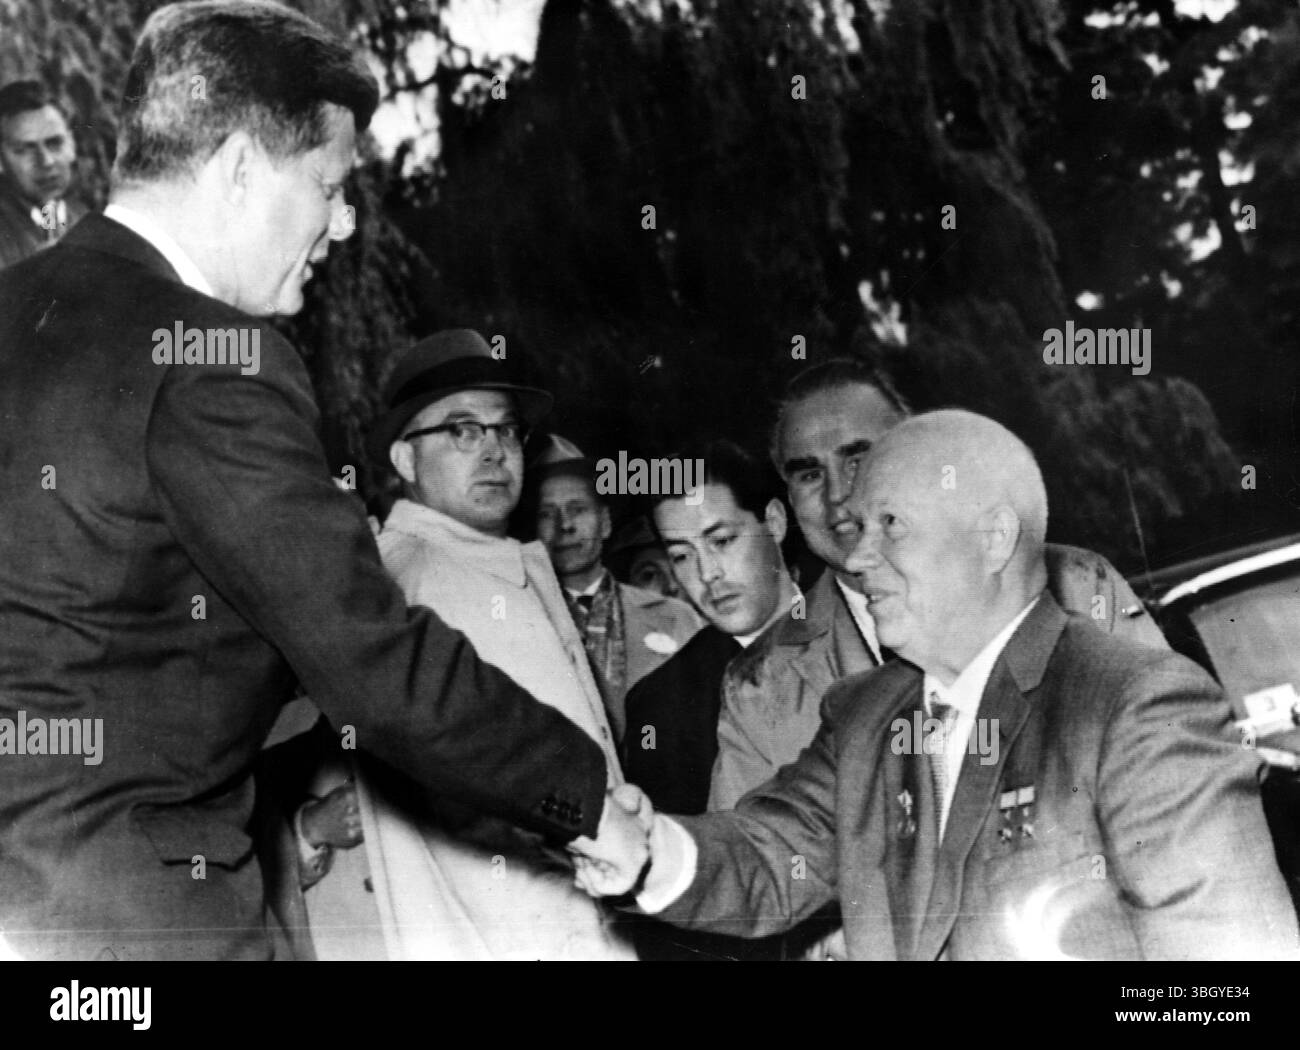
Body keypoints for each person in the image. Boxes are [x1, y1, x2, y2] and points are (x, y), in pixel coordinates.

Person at [0, 0, 637, 961]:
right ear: (240, 166)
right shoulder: (215, 358)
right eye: (330, 184)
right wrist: (587, 799)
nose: (342, 223)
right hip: (133, 927)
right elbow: (374, 666)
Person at [579, 411, 1300, 960]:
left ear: (992, 537)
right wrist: (651, 851)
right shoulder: (864, 718)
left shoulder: (1135, 705)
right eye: (858, 529)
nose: (857, 558)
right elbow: (767, 854)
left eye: (891, 527)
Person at [294, 329, 636, 960]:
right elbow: (481, 812)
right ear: (404, 461)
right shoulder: (417, 579)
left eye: (505, 431)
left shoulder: (488, 563)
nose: (493, 451)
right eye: (461, 430)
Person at [709, 356, 1169, 812]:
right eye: (809, 474)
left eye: (858, 459)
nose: (837, 495)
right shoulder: (761, 686)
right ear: (787, 496)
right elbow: (752, 866)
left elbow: (1168, 768)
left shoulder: (1075, 586)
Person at [533, 436, 702, 740]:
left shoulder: (679, 619)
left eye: (578, 509)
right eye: (546, 514)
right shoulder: (522, 623)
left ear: (606, 522)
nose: (564, 525)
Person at [0, 80, 84, 268]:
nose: (46, 161)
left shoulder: (84, 219)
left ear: (71, 145)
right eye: (25, 149)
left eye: (55, 143)